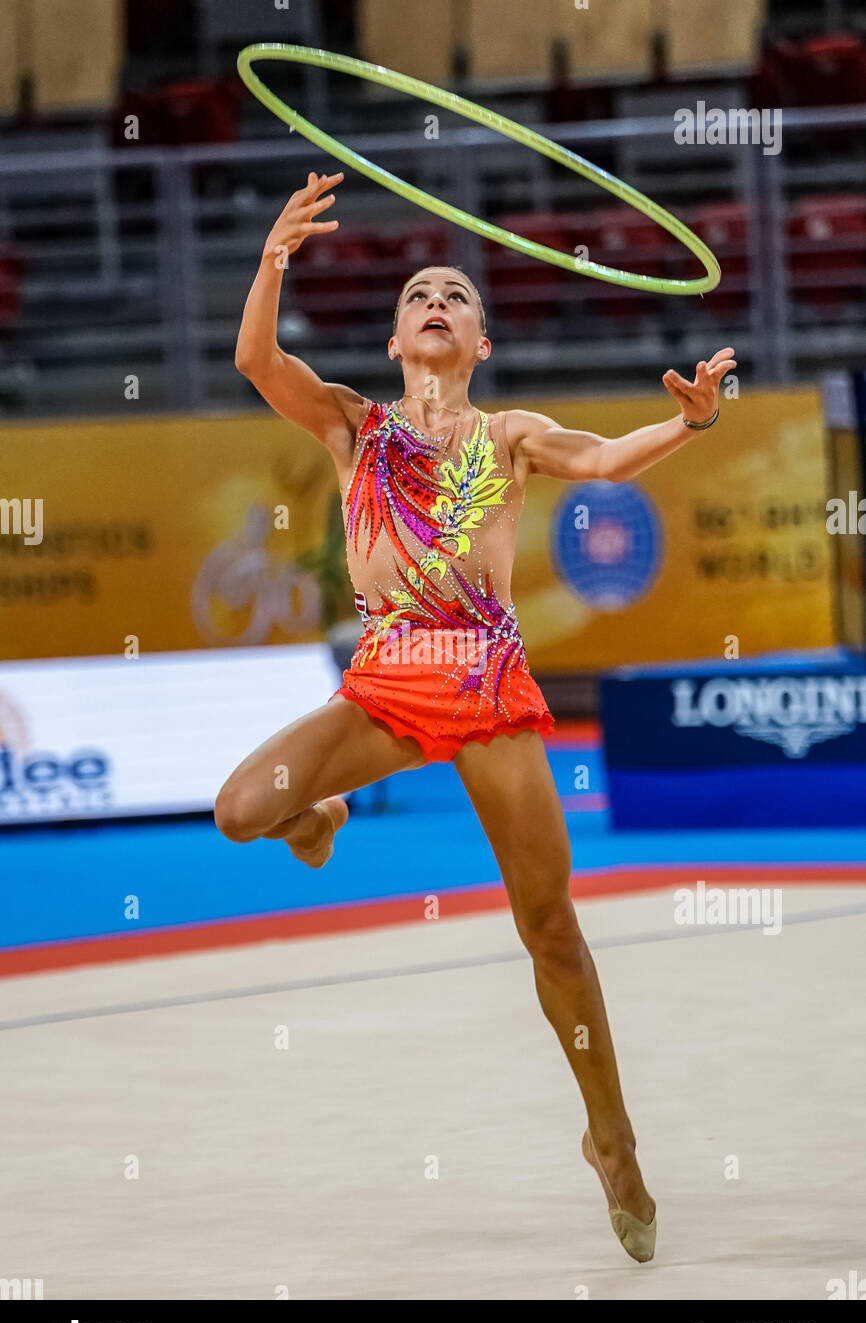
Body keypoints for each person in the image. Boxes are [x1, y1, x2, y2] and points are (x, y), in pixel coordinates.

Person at [217, 170, 737, 1263]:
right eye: (418, 296)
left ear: (481, 342)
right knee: (239, 809)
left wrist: (686, 424)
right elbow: (258, 363)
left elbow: (597, 459)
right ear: (401, 339)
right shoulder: (355, 429)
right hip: (384, 681)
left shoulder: (506, 434)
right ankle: (320, 816)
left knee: (549, 928)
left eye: (456, 294)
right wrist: (271, 257)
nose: (437, 302)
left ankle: (611, 1134)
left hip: (483, 682)